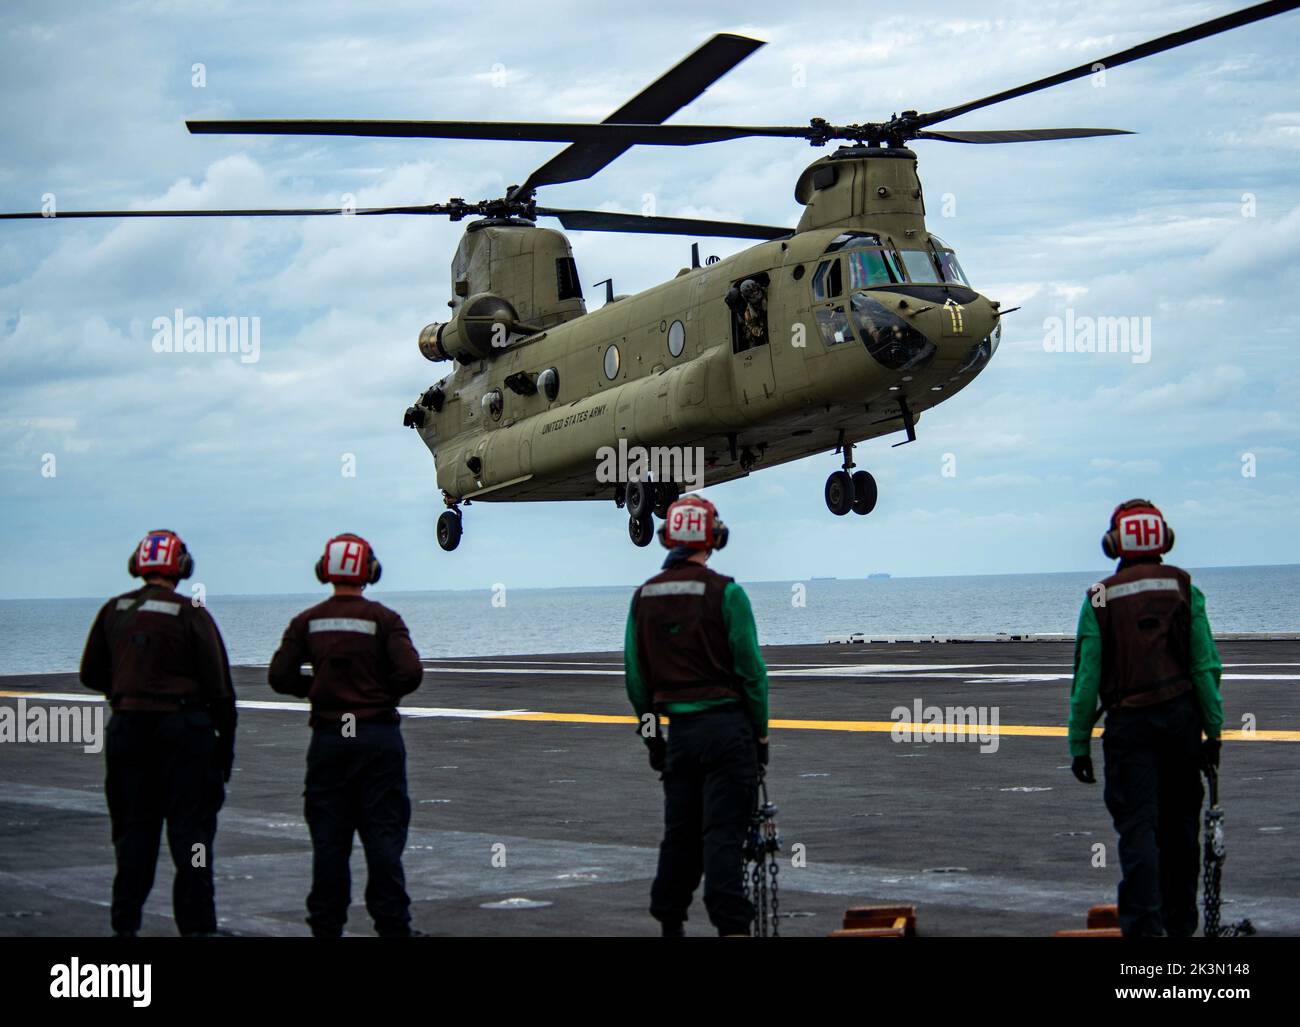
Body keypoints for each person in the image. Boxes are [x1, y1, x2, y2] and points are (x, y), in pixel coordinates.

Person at [1067, 499, 1224, 937]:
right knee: (1180, 832)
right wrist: (1214, 731)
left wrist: (1079, 743)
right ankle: (1181, 925)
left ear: (1113, 543)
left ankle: (1143, 928)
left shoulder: (1099, 597)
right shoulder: (1184, 588)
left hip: (1129, 729)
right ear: (1163, 539)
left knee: (1138, 834)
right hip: (1181, 725)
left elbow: (1086, 680)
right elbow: (1205, 667)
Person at [624, 496, 770, 937]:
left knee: (680, 838)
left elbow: (637, 682)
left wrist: (655, 743)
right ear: (715, 539)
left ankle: (670, 921)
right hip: (729, 735)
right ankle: (731, 927)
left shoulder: (644, 597)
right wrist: (760, 740)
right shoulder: (728, 593)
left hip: (681, 738)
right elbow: (752, 675)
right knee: (723, 836)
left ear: (669, 538)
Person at [80, 529, 237, 937]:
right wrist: (225, 753)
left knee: (133, 839)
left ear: (138, 565)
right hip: (184, 736)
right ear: (182, 568)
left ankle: (125, 926)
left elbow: (90, 673)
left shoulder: (114, 610)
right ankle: (198, 929)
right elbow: (220, 692)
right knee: (193, 844)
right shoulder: (190, 613)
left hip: (128, 732)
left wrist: (131, 691)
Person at [268, 533, 423, 937]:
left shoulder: (307, 621)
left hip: (329, 741)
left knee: (329, 842)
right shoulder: (384, 620)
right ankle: (393, 926)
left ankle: (326, 925)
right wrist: (377, 695)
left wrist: (318, 690)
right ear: (370, 571)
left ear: (325, 570)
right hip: (377, 739)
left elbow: (280, 676)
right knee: (384, 838)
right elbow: (409, 674)